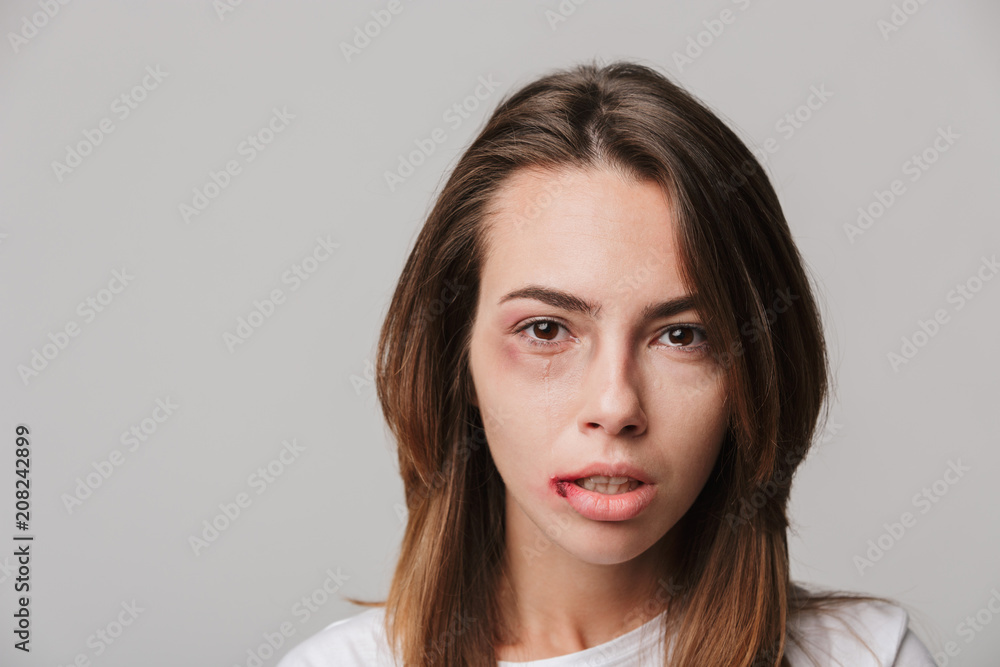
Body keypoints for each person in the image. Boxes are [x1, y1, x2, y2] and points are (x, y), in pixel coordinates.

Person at [277, 59, 936, 666]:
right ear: (459, 360)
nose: (616, 405)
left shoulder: (868, 657)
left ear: (751, 378)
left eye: (683, 336)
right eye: (545, 329)